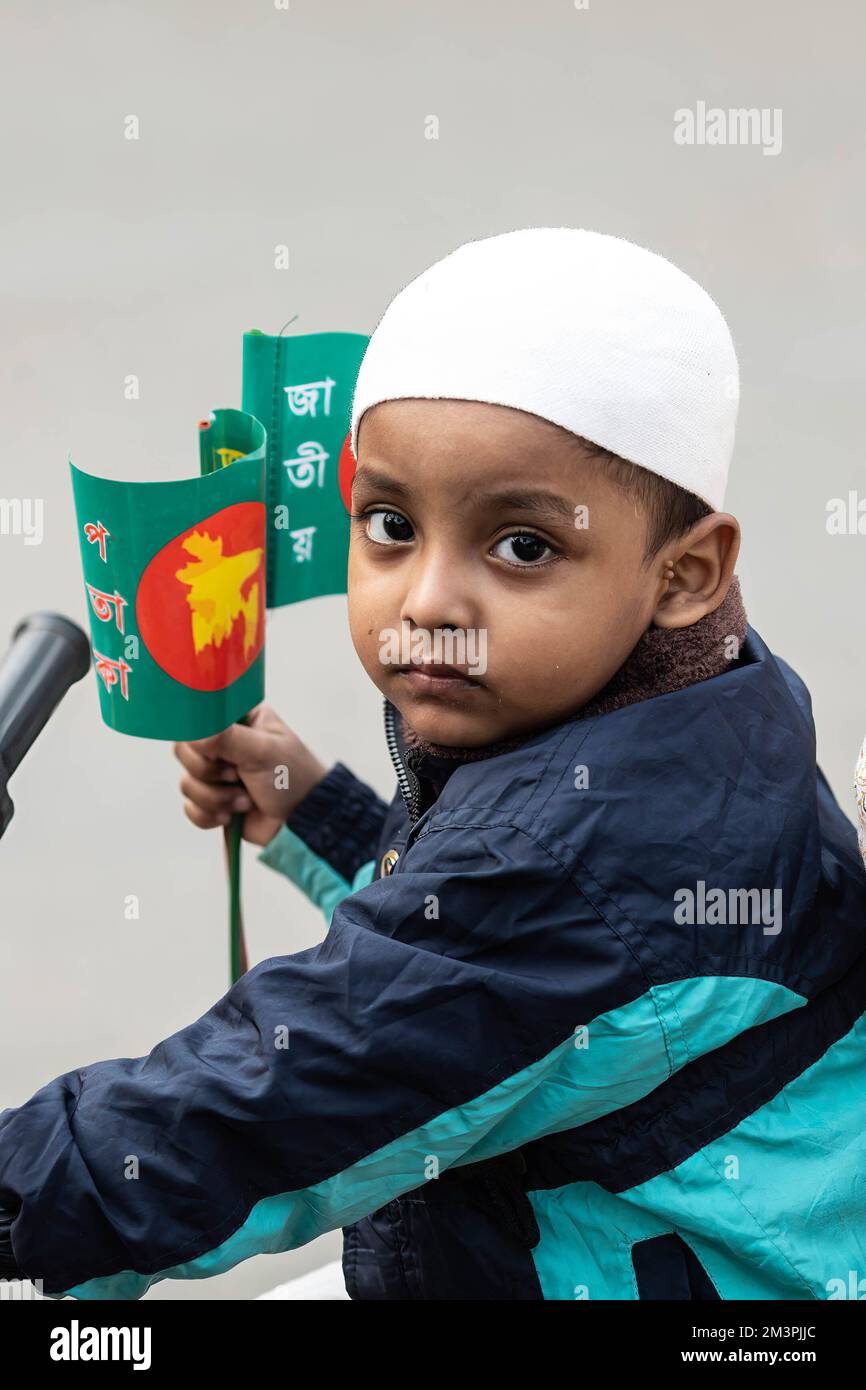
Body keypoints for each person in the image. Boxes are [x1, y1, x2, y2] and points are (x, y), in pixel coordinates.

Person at [2, 228, 865, 1300]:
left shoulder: (575, 852)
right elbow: (481, 957)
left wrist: (27, 1188)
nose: (426, 601)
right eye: (390, 523)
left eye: (521, 547)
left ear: (684, 572)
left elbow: (278, 1096)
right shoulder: (702, 703)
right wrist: (320, 814)